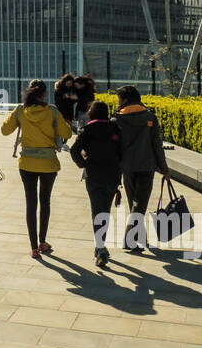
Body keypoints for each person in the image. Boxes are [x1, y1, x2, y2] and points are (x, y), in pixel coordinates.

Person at [0, 79, 73, 259]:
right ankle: (42, 240)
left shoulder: (20, 111)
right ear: (44, 94)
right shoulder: (52, 112)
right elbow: (67, 134)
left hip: (26, 163)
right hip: (48, 163)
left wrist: (18, 117)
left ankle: (33, 248)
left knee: (30, 203)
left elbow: (4, 130)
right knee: (45, 201)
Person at [111, 85, 169, 253]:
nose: (118, 103)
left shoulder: (117, 120)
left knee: (134, 204)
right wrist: (164, 168)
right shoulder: (150, 117)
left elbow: (115, 147)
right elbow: (157, 145)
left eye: (119, 99)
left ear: (126, 100)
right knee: (140, 204)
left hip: (127, 167)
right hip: (147, 166)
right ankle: (130, 239)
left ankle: (139, 236)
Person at [69, 99, 122, 267]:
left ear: (91, 113)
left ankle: (100, 247)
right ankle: (100, 246)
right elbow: (122, 152)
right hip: (112, 175)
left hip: (93, 175)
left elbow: (74, 150)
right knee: (104, 211)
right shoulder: (116, 129)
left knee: (96, 210)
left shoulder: (87, 130)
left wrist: (84, 164)